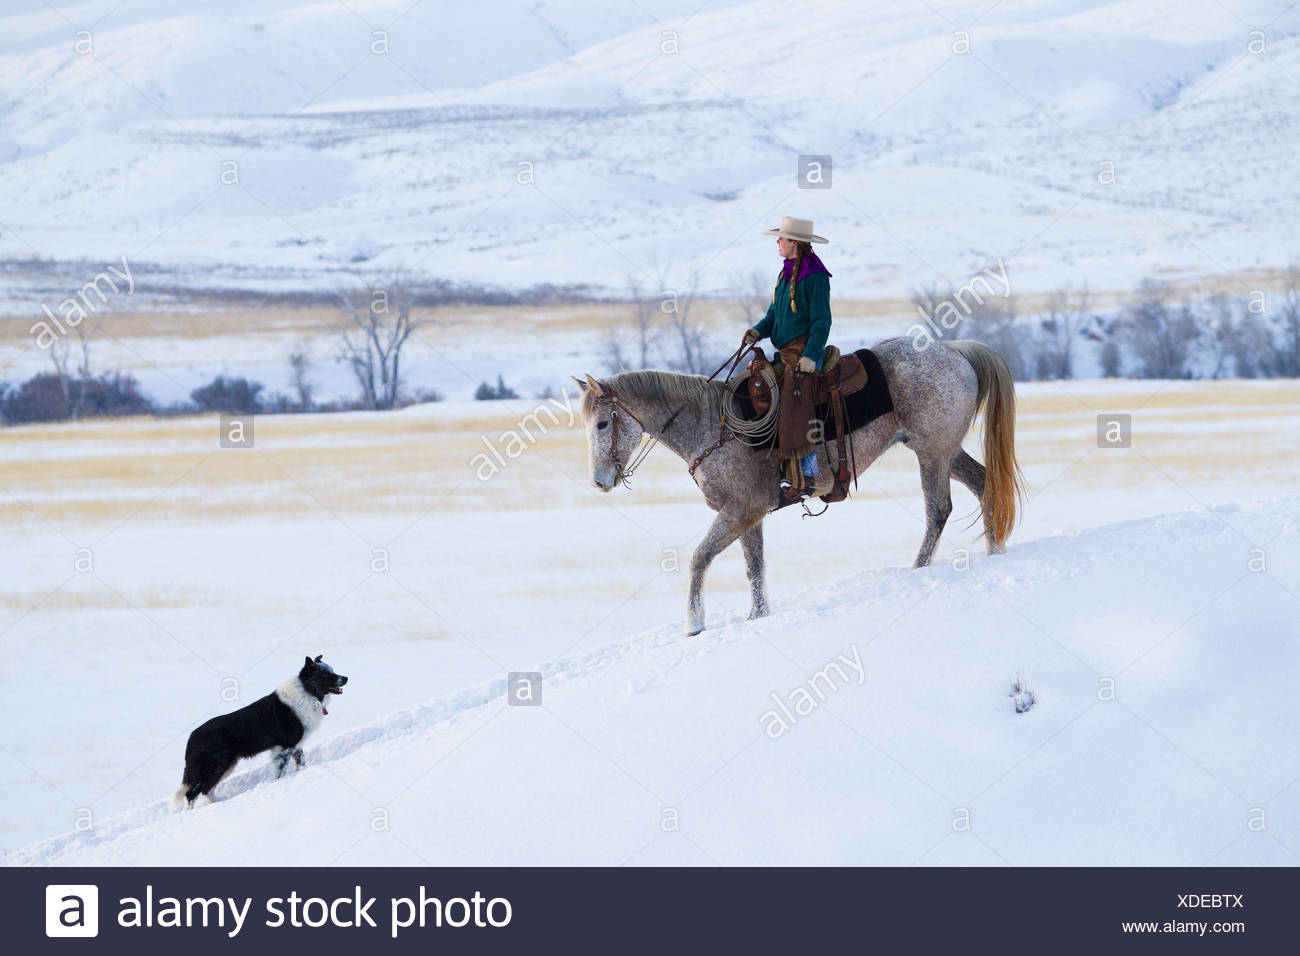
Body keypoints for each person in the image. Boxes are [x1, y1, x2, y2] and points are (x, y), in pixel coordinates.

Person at [743, 216, 833, 500]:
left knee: (796, 395)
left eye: (781, 238)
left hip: (804, 352)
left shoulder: (815, 276)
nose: (778, 243)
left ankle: (806, 475)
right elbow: (773, 317)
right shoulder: (785, 274)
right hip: (786, 352)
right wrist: (757, 332)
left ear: (795, 243)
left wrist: (811, 355)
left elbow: (822, 322)